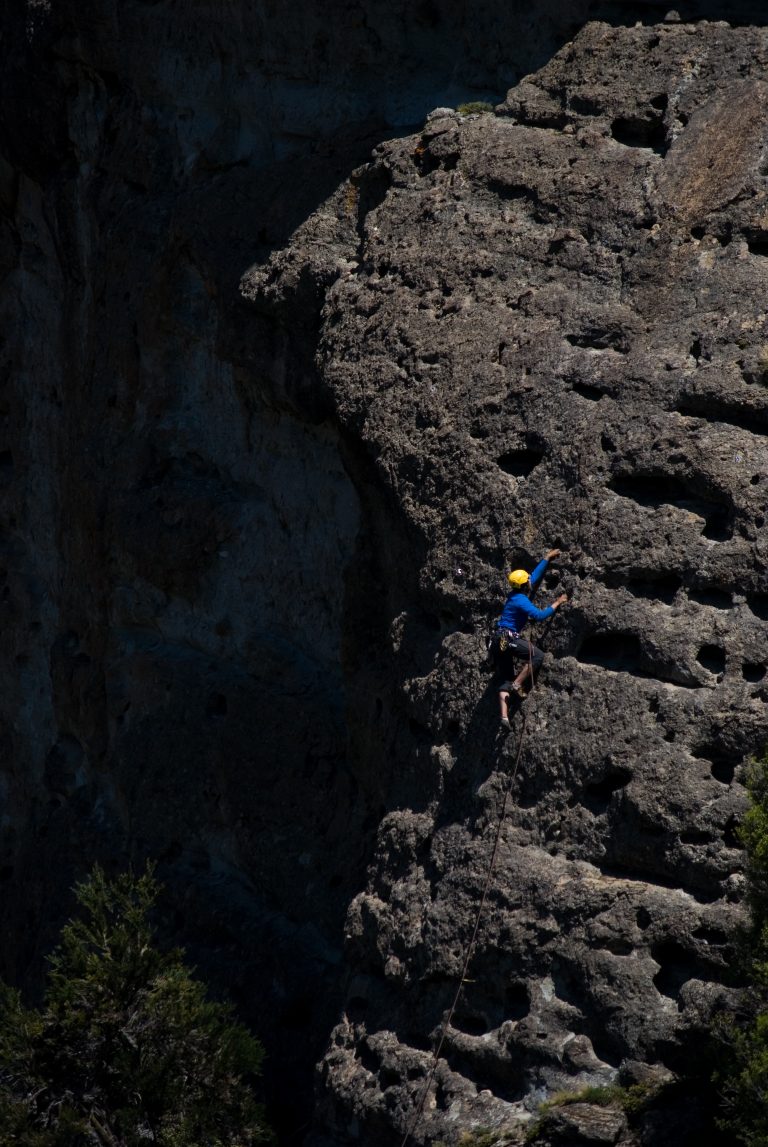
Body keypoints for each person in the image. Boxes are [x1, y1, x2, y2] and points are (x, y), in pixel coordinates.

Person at [494, 548, 567, 730]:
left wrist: (546, 559)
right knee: (537, 656)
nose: (529, 581)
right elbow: (539, 615)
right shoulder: (521, 600)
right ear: (522, 584)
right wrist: (557, 603)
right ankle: (516, 685)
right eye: (526, 580)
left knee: (505, 677)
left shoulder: (514, 595)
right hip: (508, 639)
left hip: (497, 642)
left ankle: (503, 716)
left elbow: (532, 579)